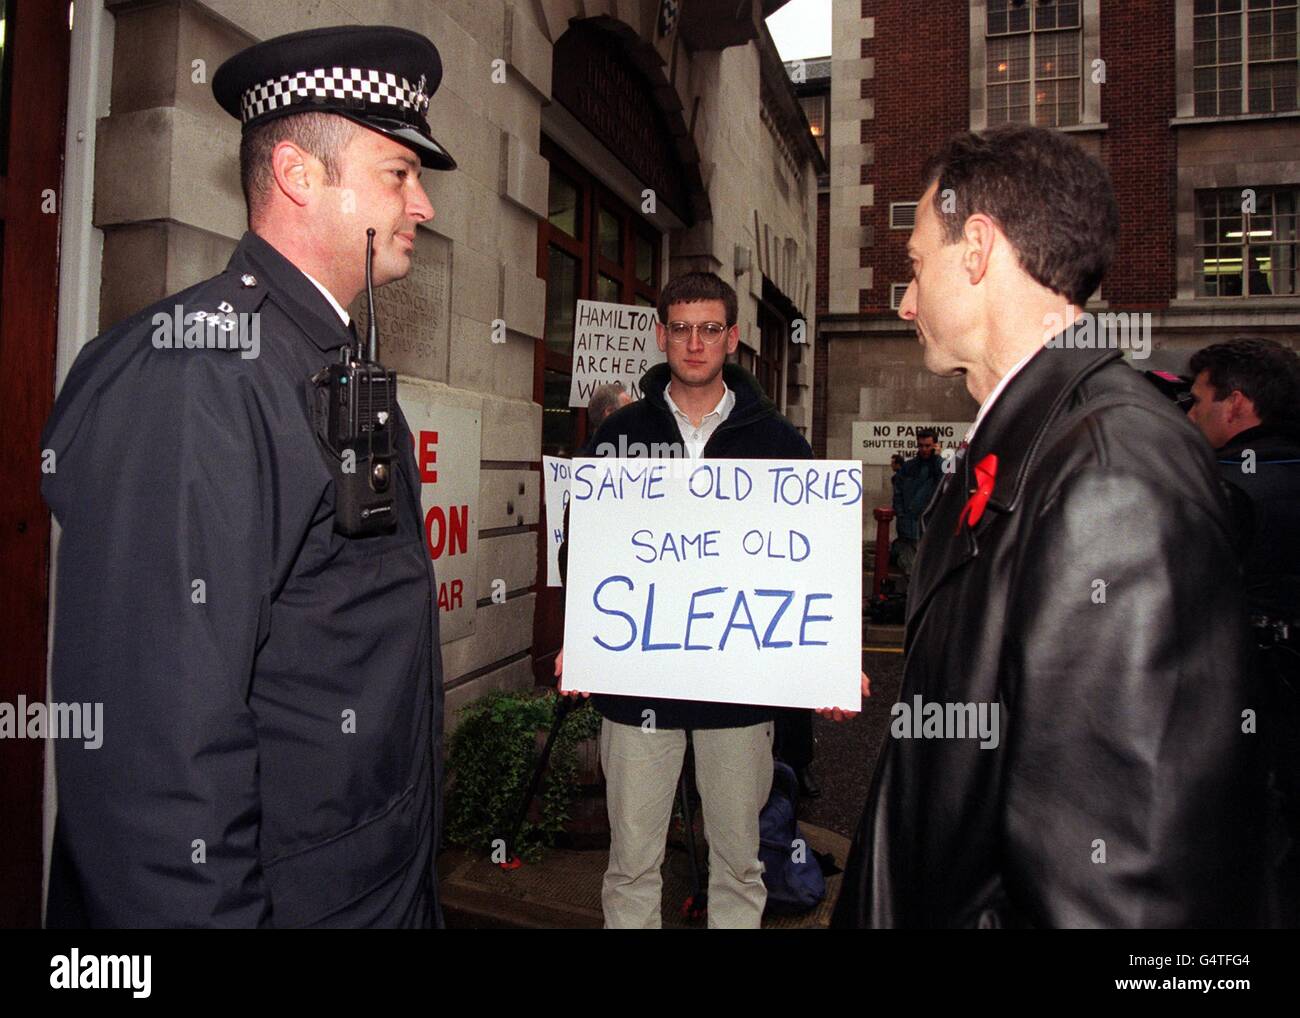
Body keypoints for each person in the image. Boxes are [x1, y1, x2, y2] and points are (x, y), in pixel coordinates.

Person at [41, 25, 456, 927]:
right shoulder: (195, 377)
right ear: (301, 176)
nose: (422, 204)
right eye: (397, 173)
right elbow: (156, 769)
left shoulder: (316, 357)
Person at [834, 125, 1263, 928]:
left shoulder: (1110, 471)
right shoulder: (1037, 441)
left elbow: (1119, 877)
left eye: (916, 264)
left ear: (978, 250)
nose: (904, 300)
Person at [556, 271, 863, 928]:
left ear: (733, 337)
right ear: (662, 335)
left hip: (738, 696)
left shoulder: (783, 447)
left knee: (739, 864)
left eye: (710, 328)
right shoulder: (617, 437)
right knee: (632, 863)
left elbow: (817, 564)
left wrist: (834, 659)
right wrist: (579, 638)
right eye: (682, 329)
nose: (695, 343)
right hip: (638, 691)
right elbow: (581, 548)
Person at [1187, 337, 1300, 927]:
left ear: (1236, 404)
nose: (1190, 413)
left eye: (1199, 400)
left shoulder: (1219, 485)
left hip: (1246, 707)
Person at [890, 428, 943, 591]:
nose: (924, 449)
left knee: (930, 571)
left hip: (931, 527)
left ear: (935, 445)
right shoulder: (908, 467)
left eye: (928, 446)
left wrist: (939, 458)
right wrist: (901, 514)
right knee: (911, 571)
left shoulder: (943, 463)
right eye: (921, 446)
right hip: (909, 527)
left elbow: (952, 480)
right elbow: (897, 492)